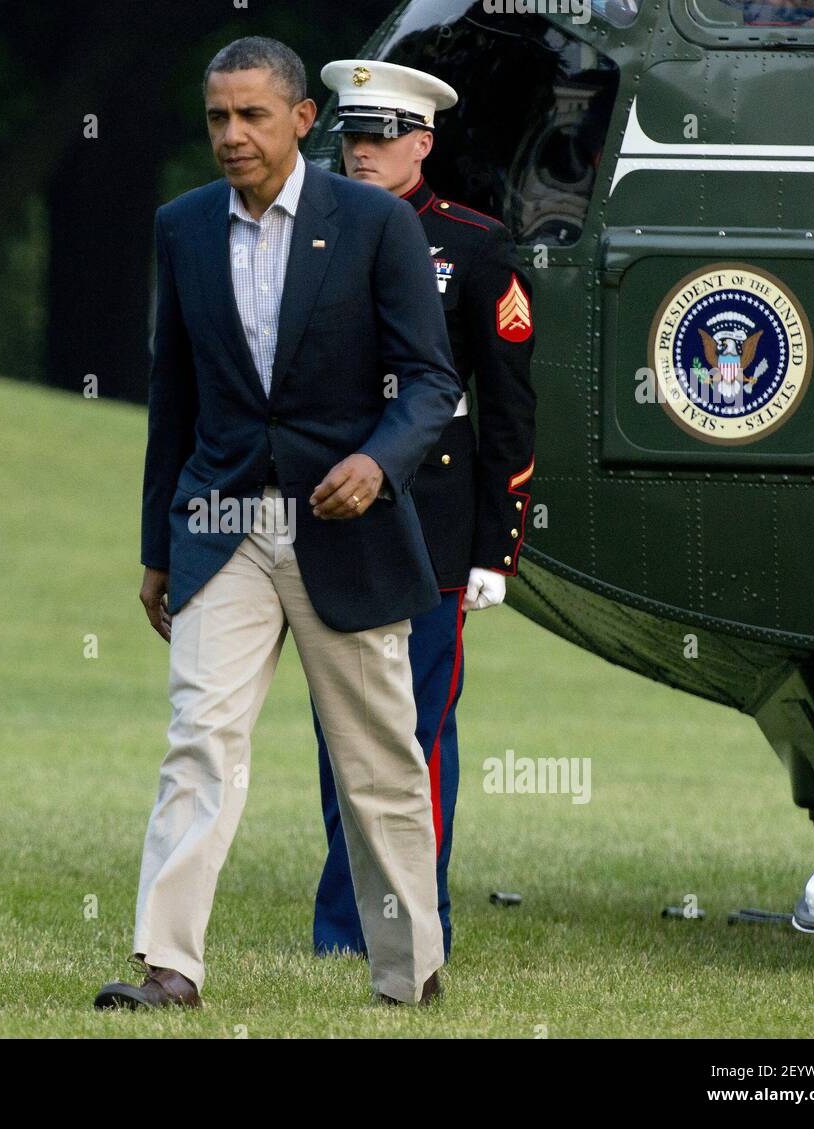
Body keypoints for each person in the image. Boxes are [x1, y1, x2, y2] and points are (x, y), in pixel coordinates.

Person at [93, 36, 459, 1010]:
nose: (231, 135)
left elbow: (431, 381)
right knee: (197, 743)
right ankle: (168, 967)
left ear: (304, 120)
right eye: (217, 116)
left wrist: (377, 463)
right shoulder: (181, 227)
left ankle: (406, 970)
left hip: (348, 527)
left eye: (252, 115)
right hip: (219, 528)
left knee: (378, 761)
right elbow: (172, 396)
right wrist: (155, 548)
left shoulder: (376, 224)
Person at [309, 59, 536, 960]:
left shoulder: (476, 247)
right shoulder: (311, 234)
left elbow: (509, 408)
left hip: (433, 519)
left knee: (417, 729)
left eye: (379, 136)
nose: (360, 151)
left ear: (421, 143)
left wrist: (497, 548)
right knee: (340, 730)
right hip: (329, 510)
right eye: (351, 135)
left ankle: (411, 917)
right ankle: (341, 930)